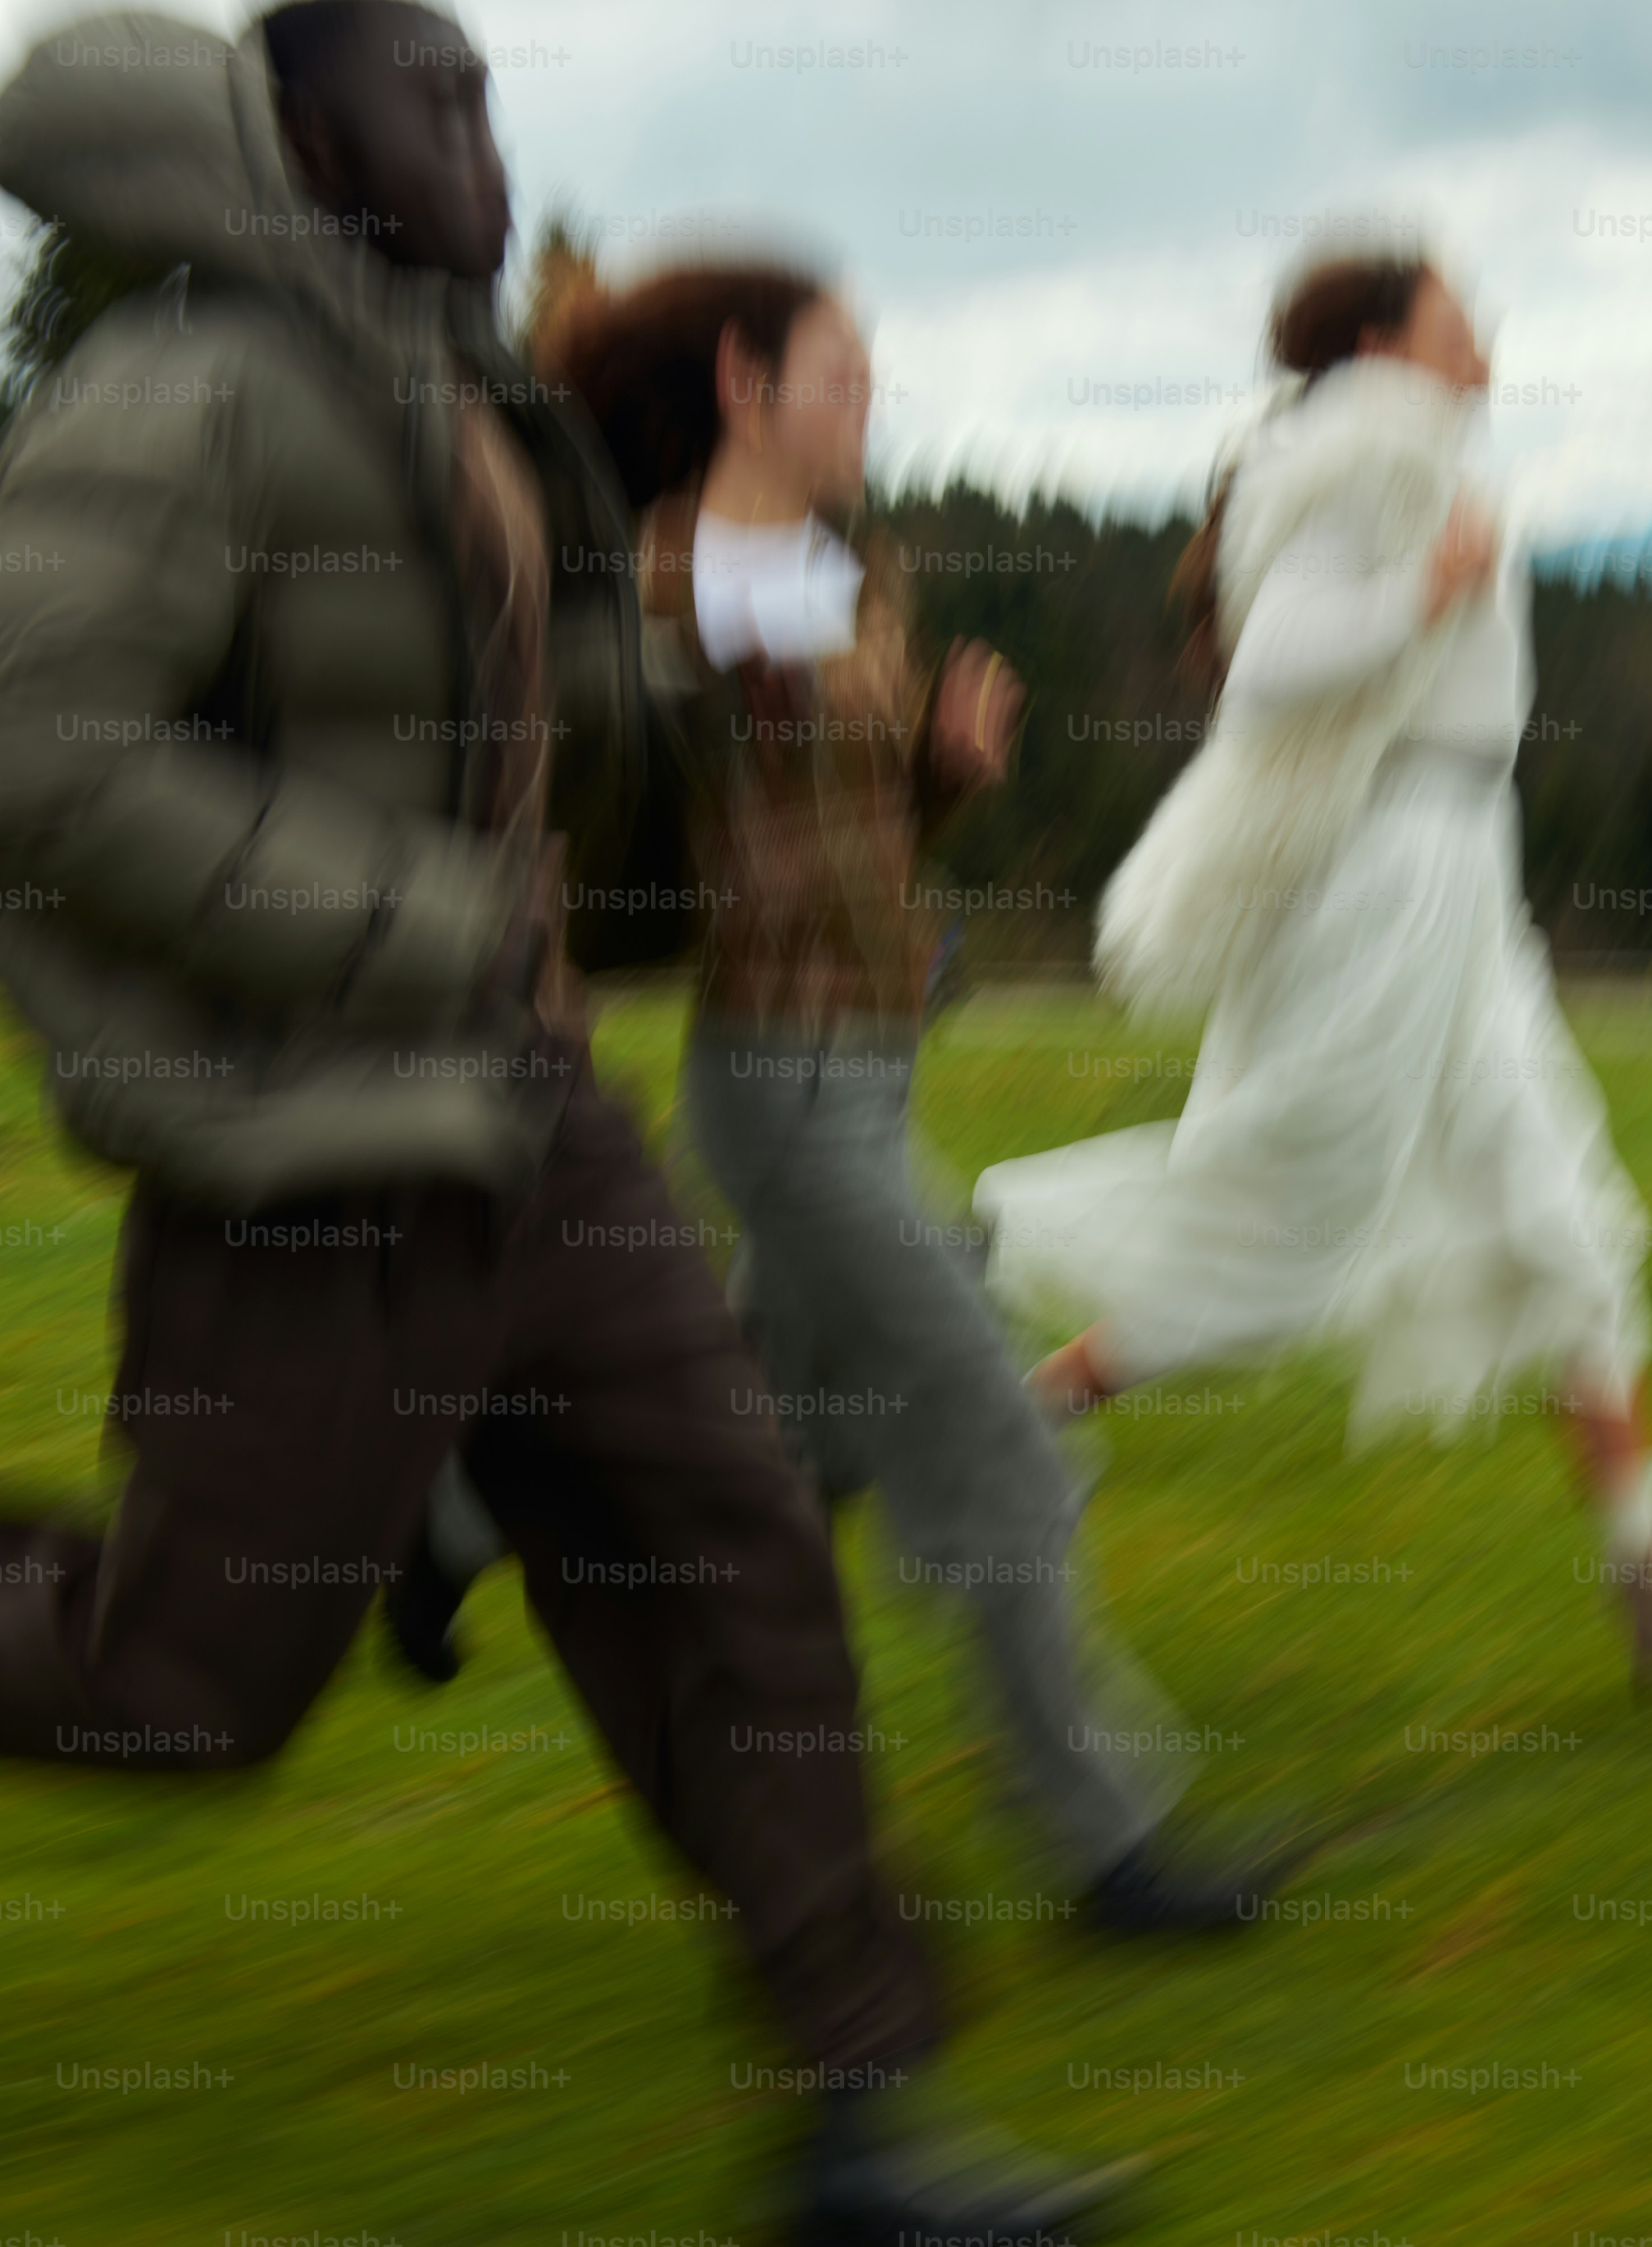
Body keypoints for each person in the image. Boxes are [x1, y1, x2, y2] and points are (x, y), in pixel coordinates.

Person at [0, 10, 1122, 2238]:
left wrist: (682, 796)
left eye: (492, 96)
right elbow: (24, 757)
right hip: (315, 1154)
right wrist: (418, 917)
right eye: (435, 101)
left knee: (727, 1551)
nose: (487, 146)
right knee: (183, 1685)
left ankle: (862, 2123)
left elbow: (538, 770)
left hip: (537, 1113)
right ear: (294, 132)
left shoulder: (460, 395)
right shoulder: (188, 387)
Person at [386, 248, 1268, 1935]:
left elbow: (861, 847)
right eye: (844, 374)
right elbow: (630, 834)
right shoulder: (649, 585)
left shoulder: (856, 578)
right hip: (777, 1090)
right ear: (743, 384)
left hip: (872, 1073)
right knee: (1003, 1456)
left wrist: (937, 776)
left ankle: (472, 1504)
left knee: (789, 1455)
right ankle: (1109, 1849)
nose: (872, 404)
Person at [974, 252, 1652, 1690]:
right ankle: (984, 1375)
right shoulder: (1358, 452)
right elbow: (1271, 665)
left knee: (1560, 1212)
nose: (1482, 324)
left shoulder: (1397, 445)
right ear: (1383, 337)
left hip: (1456, 870)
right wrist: (1426, 595)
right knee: (1295, 1216)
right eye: (1454, 306)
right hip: (1388, 877)